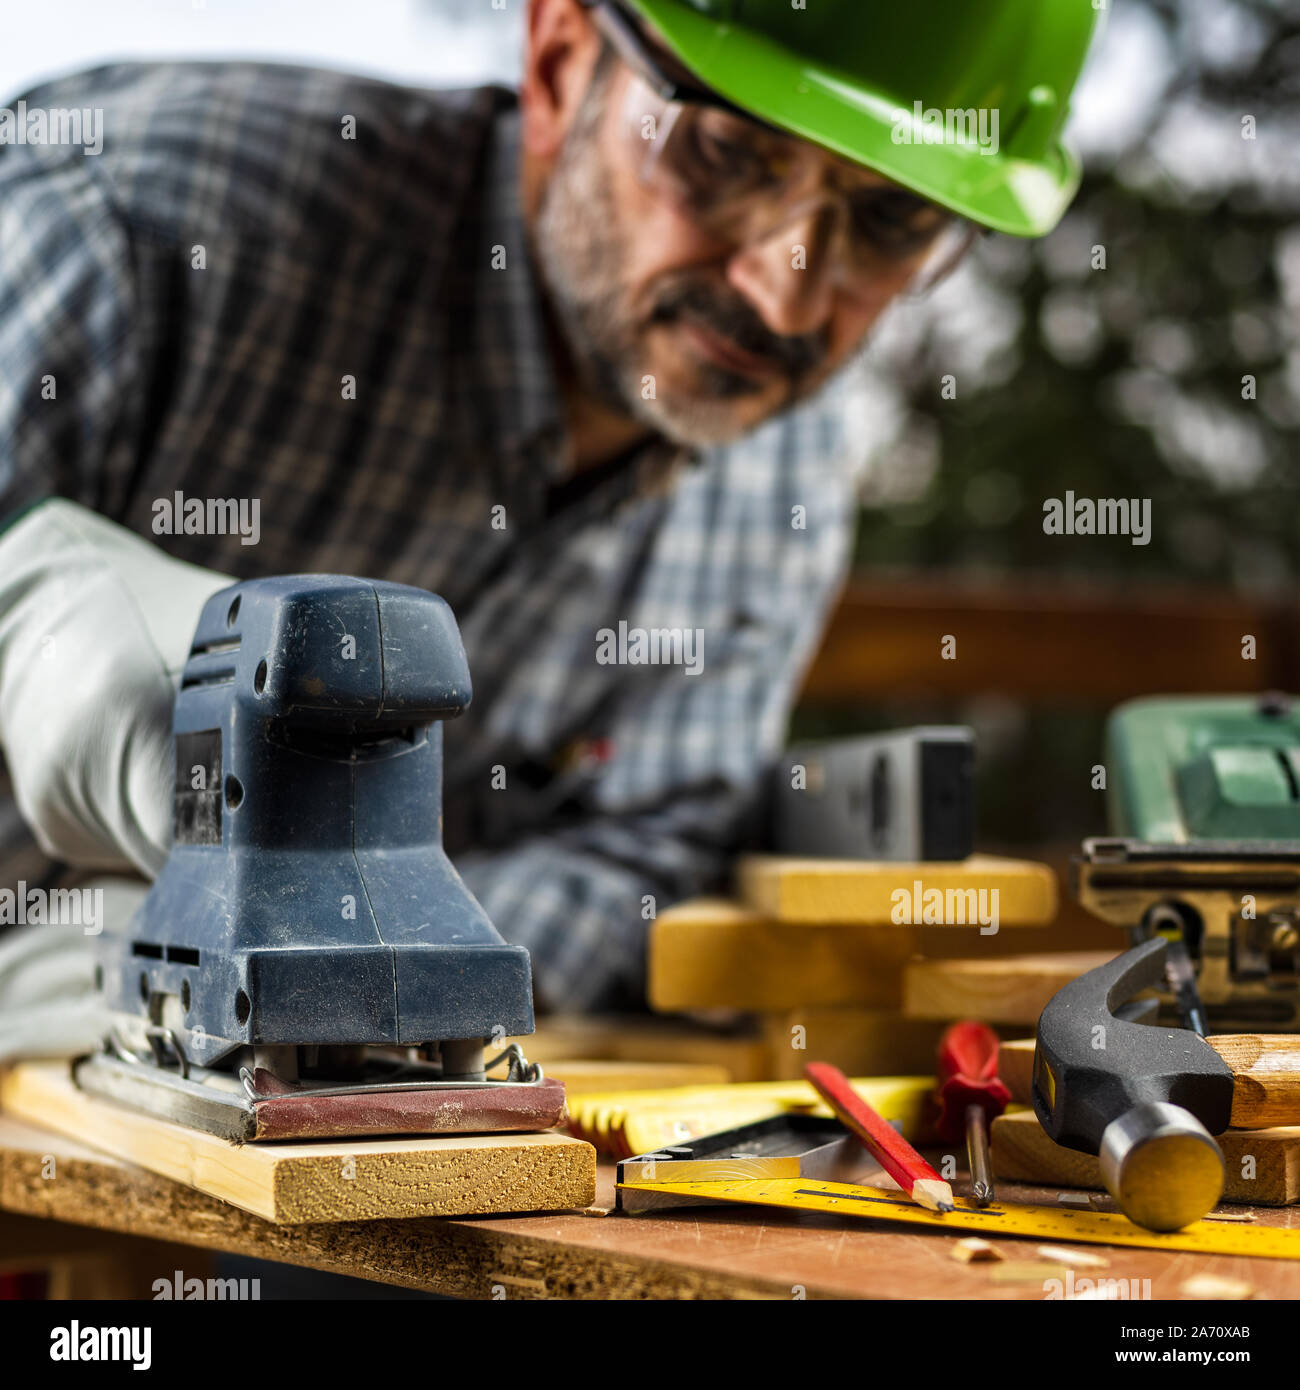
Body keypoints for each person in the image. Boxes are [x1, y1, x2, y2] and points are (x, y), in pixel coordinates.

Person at [0, 0, 1100, 1032]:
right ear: (561, 58)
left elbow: (640, 851)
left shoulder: (784, 475)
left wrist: (353, 983)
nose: (783, 295)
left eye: (894, 218)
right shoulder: (122, 246)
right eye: (722, 155)